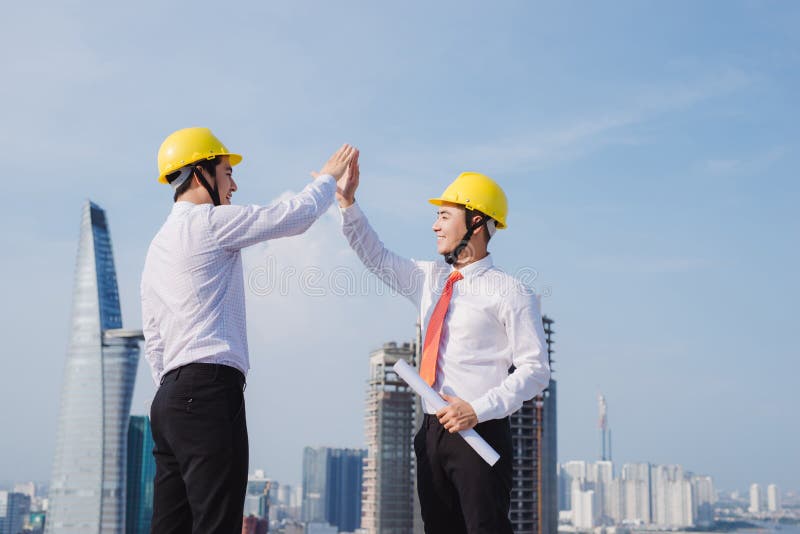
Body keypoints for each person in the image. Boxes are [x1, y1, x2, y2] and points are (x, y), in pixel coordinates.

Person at [141, 126, 356, 533]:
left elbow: (154, 336)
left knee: (169, 526)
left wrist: (177, 388)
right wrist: (329, 178)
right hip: (207, 391)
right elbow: (295, 216)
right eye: (226, 172)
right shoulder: (209, 223)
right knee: (216, 523)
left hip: (167, 399)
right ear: (201, 171)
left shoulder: (157, 245)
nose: (234, 184)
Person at [337, 154, 550, 533]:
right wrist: (348, 204)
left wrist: (477, 409)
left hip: (479, 433)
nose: (435, 226)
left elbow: (535, 371)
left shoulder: (510, 292)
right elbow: (375, 256)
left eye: (444, 217)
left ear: (476, 222)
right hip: (431, 433)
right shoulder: (430, 279)